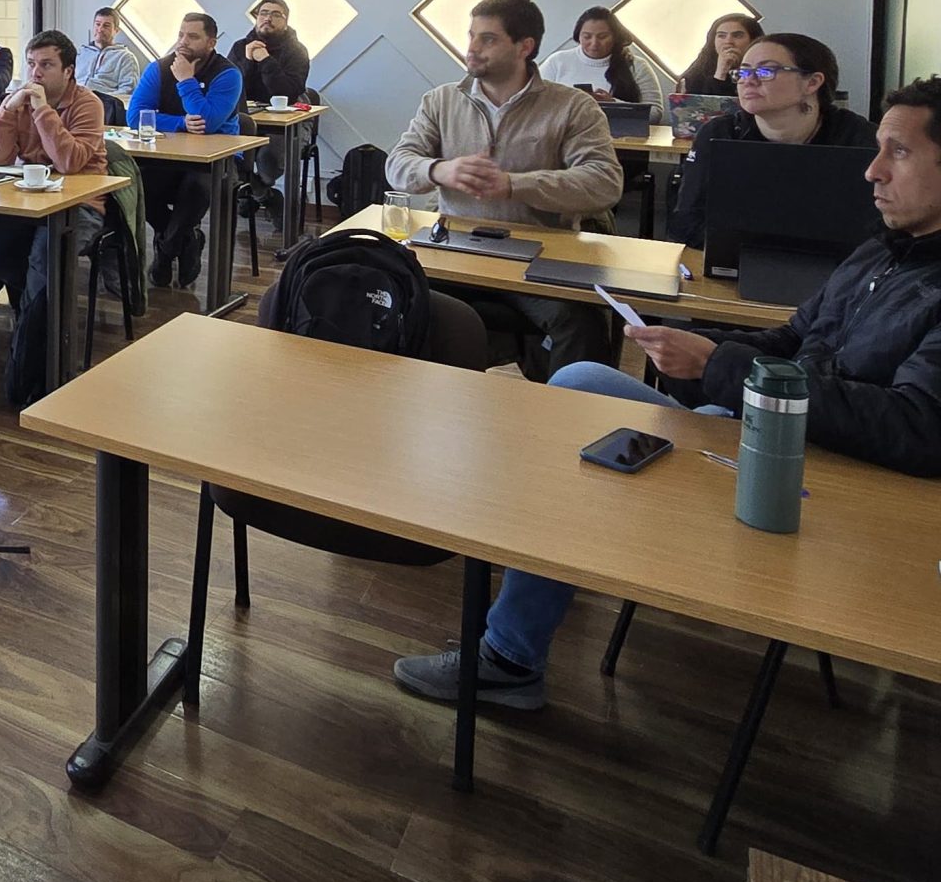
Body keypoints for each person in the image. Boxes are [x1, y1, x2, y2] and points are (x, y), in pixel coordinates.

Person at [394, 78, 941, 711]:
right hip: (757, 425)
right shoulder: (883, 252)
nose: (872, 171)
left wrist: (718, 366)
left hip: (821, 476)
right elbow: (792, 337)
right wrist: (689, 343)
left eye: (897, 153)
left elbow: (915, 428)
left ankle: (509, 656)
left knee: (579, 467)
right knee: (577, 385)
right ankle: (541, 548)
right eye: (877, 149)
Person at [386, 0, 623, 372]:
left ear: (524, 47)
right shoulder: (442, 100)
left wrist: (516, 184)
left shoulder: (573, 107)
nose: (472, 49)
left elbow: (604, 183)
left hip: (540, 255)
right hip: (454, 251)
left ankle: (573, 425)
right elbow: (397, 163)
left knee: (581, 324)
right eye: (471, 36)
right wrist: (439, 170)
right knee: (394, 296)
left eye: (488, 39)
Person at [668, 33, 875, 250]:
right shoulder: (719, 133)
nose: (749, 80)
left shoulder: (859, 138)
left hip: (835, 268)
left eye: (766, 71)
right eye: (744, 71)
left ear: (812, 82)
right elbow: (686, 220)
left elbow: (879, 227)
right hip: (741, 260)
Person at [0, 29, 110, 307]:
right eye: (31, 64)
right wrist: (7, 111)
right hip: (28, 199)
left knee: (45, 255)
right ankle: (39, 310)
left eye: (46, 65)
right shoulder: (19, 101)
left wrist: (43, 111)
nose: (36, 73)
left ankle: (34, 335)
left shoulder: (87, 103)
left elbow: (69, 162)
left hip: (79, 204)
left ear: (68, 71)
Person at [127, 11, 242, 288]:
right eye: (180, 34)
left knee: (196, 188)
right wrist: (180, 122)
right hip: (168, 157)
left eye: (192, 36)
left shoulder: (228, 74)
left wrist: (186, 81)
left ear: (211, 42)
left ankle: (165, 251)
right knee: (135, 183)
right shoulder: (158, 68)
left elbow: (208, 122)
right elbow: (135, 117)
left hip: (217, 163)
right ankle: (186, 238)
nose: (183, 42)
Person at [230, 0, 312, 203]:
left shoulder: (297, 51)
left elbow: (286, 92)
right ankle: (262, 195)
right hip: (247, 118)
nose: (268, 18)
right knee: (227, 154)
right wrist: (248, 62)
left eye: (276, 15)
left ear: (285, 22)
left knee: (269, 158)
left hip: (286, 124)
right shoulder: (240, 47)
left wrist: (265, 60)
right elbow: (231, 87)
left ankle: (259, 188)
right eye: (263, 13)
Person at [539, 6, 662, 106]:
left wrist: (612, 103)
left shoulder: (637, 66)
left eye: (602, 37)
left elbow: (655, 113)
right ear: (578, 36)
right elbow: (535, 102)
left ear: (615, 37)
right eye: (587, 37)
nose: (594, 43)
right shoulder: (557, 62)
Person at [676, 13, 766, 98]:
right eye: (721, 36)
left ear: (753, 40)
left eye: (737, 36)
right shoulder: (696, 74)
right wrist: (720, 73)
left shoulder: (765, 70)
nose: (728, 42)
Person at [77, 7, 144, 114]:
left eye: (106, 26)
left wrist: (102, 99)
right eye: (97, 24)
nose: (100, 29)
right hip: (76, 105)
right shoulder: (80, 53)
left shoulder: (126, 58)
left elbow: (128, 91)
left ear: (116, 30)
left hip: (105, 109)